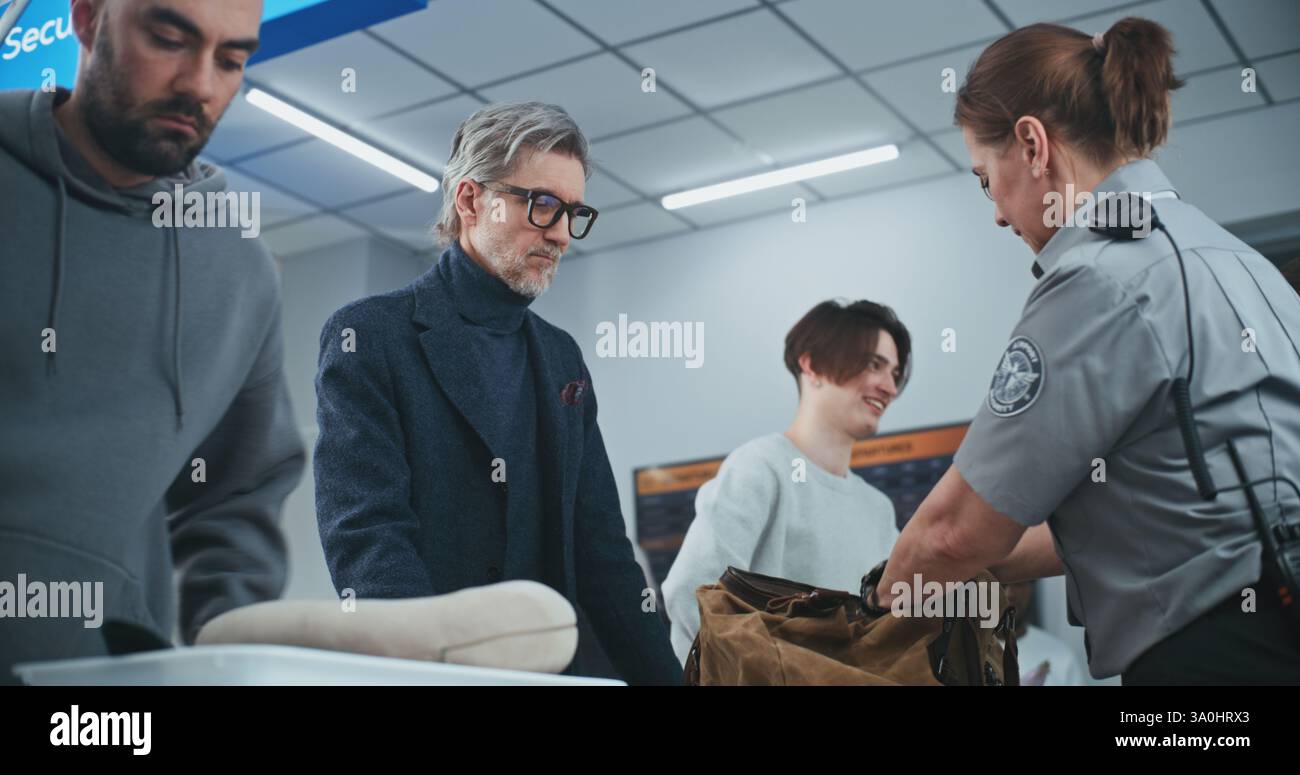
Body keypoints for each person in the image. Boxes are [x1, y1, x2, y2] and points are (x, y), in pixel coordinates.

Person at [868, 18, 1300, 684]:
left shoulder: (1098, 277)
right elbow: (1175, 511)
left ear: (1033, 144)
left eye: (986, 180)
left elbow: (954, 530)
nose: (997, 214)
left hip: (1212, 659)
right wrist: (972, 559)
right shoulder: (1240, 261)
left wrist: (874, 605)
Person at [313, 101, 681, 685]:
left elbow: (603, 551)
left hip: (555, 670)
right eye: (543, 206)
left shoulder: (562, 359)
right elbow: (368, 537)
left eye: (574, 213)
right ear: (470, 200)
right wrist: (432, 673)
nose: (562, 234)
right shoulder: (371, 337)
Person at [0, 0, 304, 682]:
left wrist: (222, 664)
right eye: (169, 38)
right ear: (85, 18)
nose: (200, 83)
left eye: (231, 61)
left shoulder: (239, 271)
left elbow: (236, 503)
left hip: (91, 702)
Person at [663, 300, 908, 664]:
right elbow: (693, 593)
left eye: (895, 373)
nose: (889, 386)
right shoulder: (760, 467)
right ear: (812, 364)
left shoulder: (878, 509)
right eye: (874, 364)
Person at [1002, 582, 1085, 686]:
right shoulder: (975, 654)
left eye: (1019, 583)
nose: (1010, 594)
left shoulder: (1062, 656)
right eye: (1001, 584)